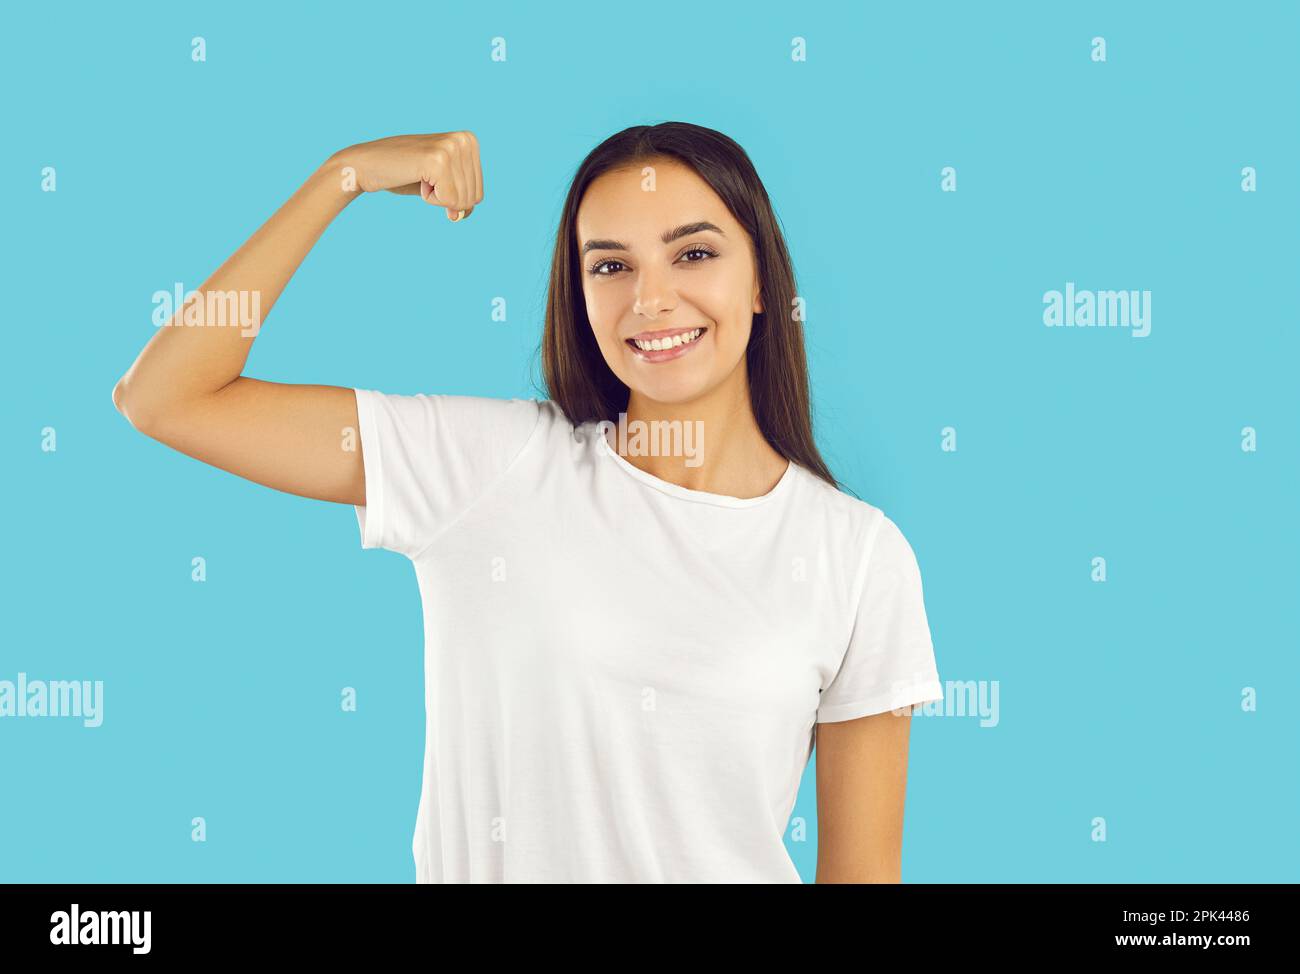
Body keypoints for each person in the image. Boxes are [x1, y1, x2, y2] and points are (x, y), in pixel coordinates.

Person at [112, 122, 943, 883]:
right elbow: (167, 399)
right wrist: (345, 175)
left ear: (762, 281)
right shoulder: (487, 470)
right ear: (580, 298)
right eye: (611, 265)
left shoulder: (858, 556)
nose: (650, 300)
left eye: (693, 254)